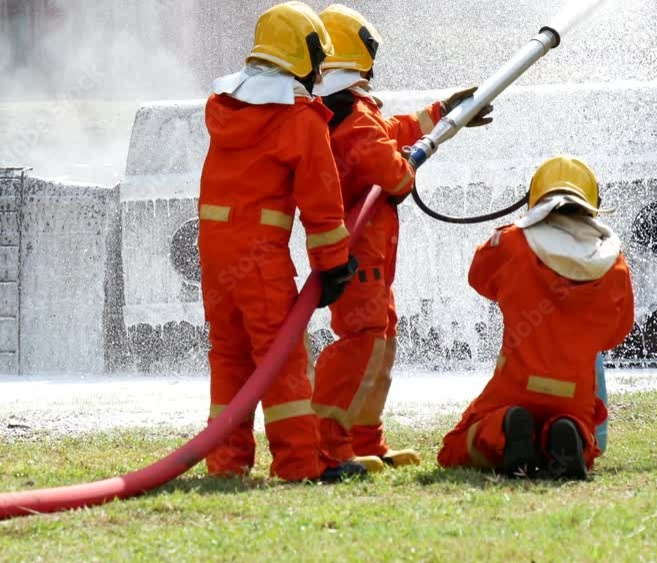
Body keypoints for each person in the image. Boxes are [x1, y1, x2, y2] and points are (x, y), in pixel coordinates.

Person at [309, 4, 494, 470]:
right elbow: (392, 173)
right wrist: (409, 163)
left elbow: (392, 132)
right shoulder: (347, 114)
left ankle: (366, 441)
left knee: (381, 341)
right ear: (361, 54)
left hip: (371, 252)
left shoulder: (347, 108)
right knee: (361, 341)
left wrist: (440, 114)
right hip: (357, 253)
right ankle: (328, 446)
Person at [198, 2, 365, 482]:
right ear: (308, 56)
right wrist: (334, 264)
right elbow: (321, 198)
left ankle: (226, 463)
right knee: (281, 358)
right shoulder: (300, 118)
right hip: (259, 259)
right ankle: (300, 465)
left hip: (214, 255)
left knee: (229, 355)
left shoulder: (223, 106)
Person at [437, 156, 635, 479]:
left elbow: (477, 276)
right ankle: (564, 428)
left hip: (514, 386)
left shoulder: (513, 241)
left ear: (535, 199)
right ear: (592, 203)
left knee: (457, 447)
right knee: (584, 440)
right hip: (575, 394)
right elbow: (617, 331)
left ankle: (507, 426)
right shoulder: (614, 262)